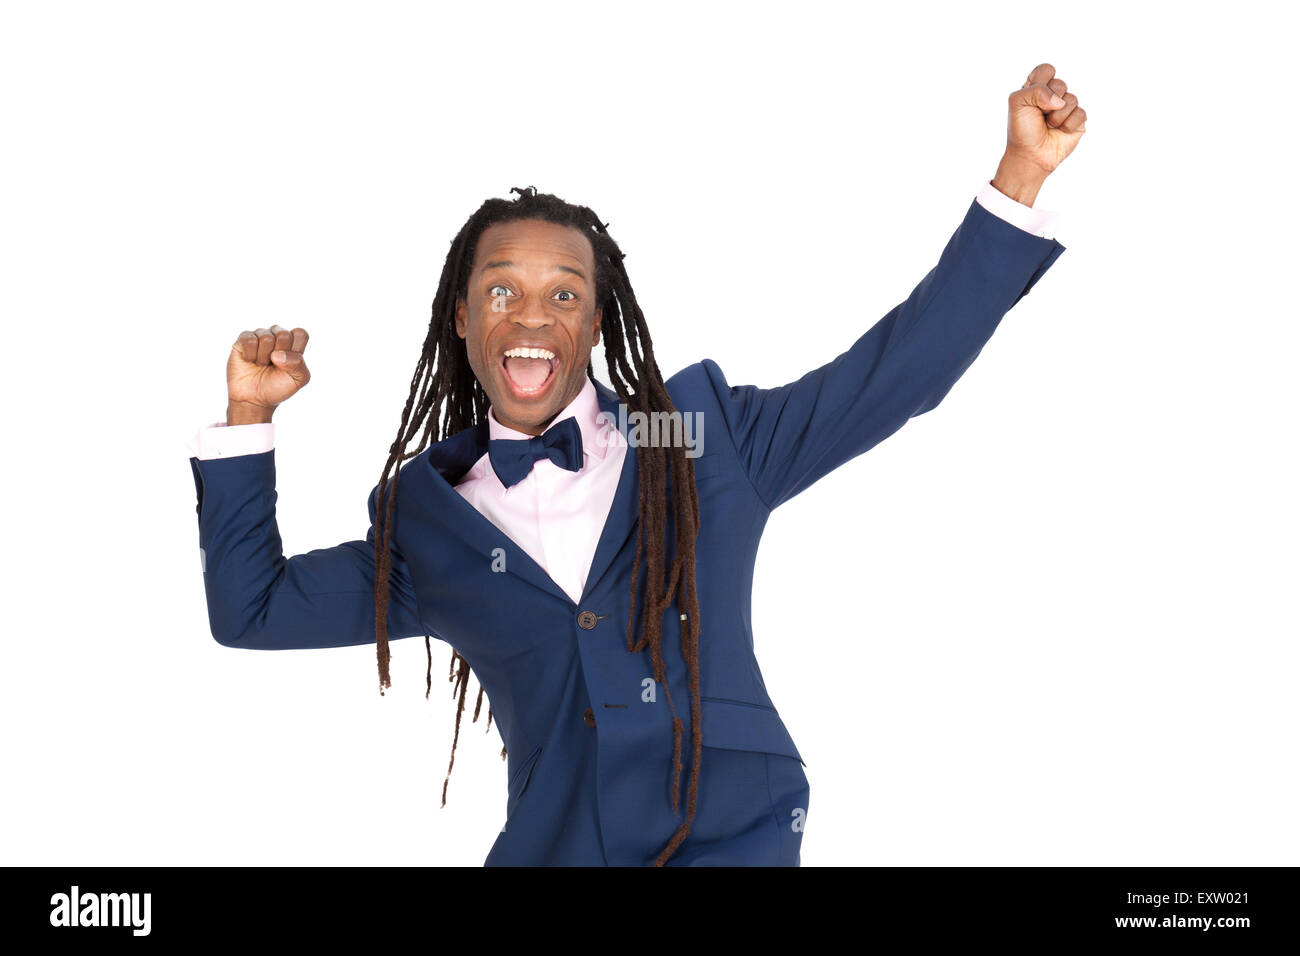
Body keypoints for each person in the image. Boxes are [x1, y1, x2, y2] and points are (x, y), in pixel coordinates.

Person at [186, 63, 1086, 866]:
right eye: (501, 289)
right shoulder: (426, 524)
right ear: (462, 320)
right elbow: (253, 611)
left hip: (735, 832)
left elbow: (897, 374)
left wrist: (1020, 177)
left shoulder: (701, 439)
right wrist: (249, 419)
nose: (531, 316)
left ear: (596, 324)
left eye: (564, 294)